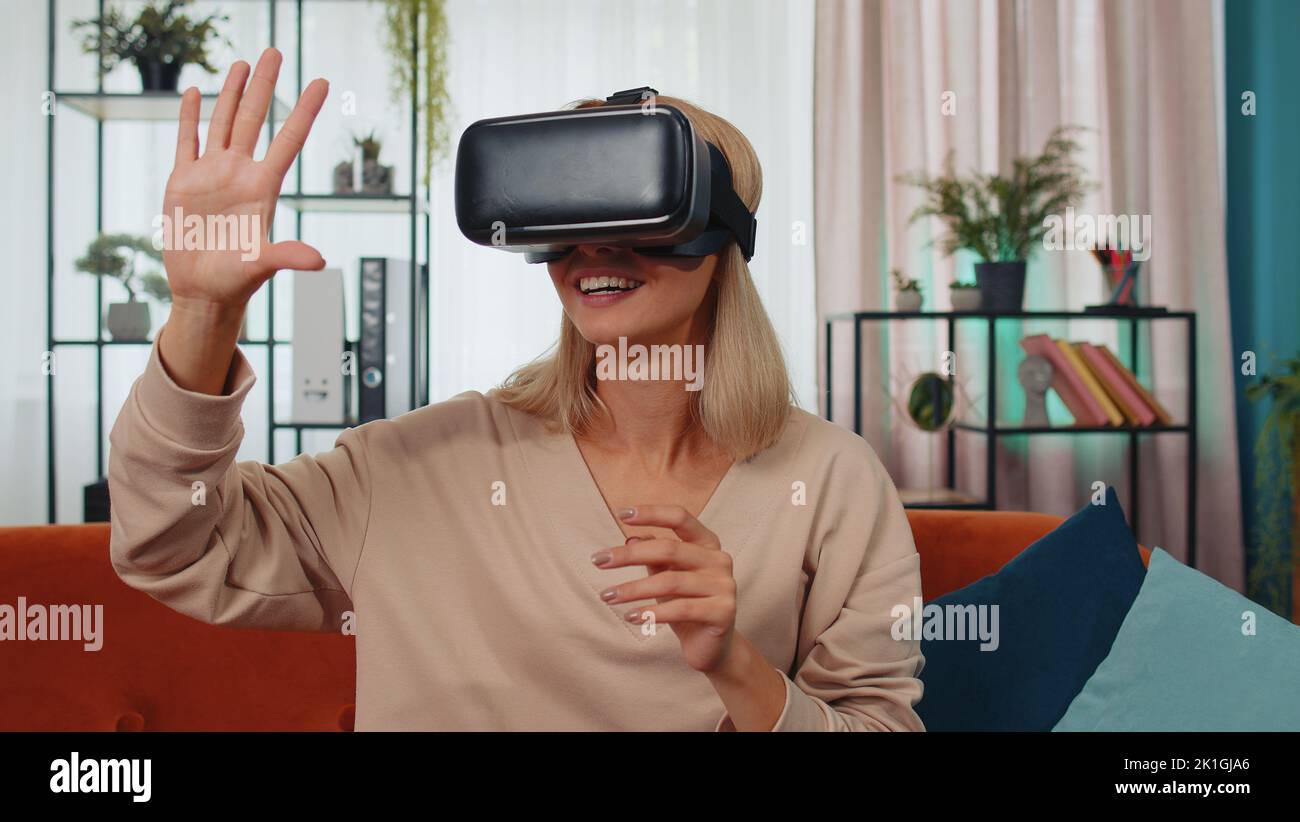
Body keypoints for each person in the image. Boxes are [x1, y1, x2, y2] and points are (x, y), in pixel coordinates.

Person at [108, 48, 926, 731]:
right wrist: (203, 313)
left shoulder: (830, 483)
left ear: (720, 240)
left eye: (634, 209)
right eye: (564, 214)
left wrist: (735, 664)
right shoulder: (422, 466)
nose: (595, 250)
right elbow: (174, 547)